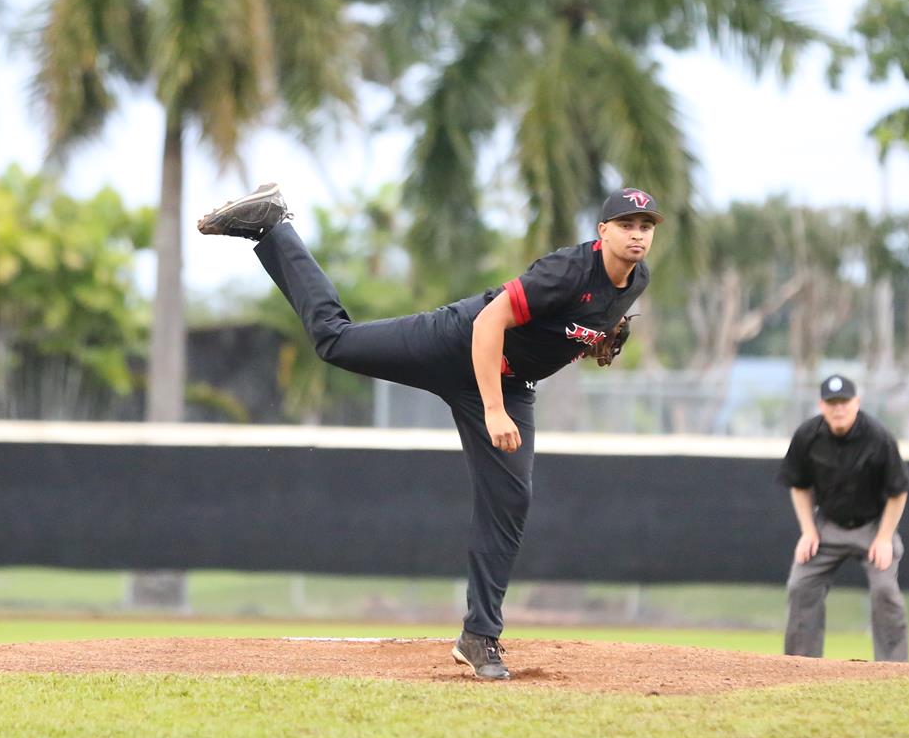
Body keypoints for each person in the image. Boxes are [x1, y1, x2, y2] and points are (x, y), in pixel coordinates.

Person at [196, 181, 660, 681]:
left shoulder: (635, 280)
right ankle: (272, 226)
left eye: (645, 226)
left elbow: (582, 321)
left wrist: (596, 335)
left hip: (511, 383)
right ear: (602, 231)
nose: (637, 234)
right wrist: (493, 410)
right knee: (336, 342)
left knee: (511, 498)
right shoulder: (567, 271)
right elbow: (489, 323)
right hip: (456, 344)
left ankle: (479, 636)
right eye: (626, 225)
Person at [778, 374, 909, 662]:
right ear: (822, 405)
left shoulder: (878, 437)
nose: (838, 408)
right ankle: (799, 664)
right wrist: (808, 531)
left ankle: (894, 668)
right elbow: (799, 485)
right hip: (827, 525)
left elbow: (898, 491)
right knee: (801, 584)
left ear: (857, 403)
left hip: (874, 526)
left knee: (885, 590)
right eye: (832, 402)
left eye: (844, 402)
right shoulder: (807, 435)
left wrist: (884, 538)